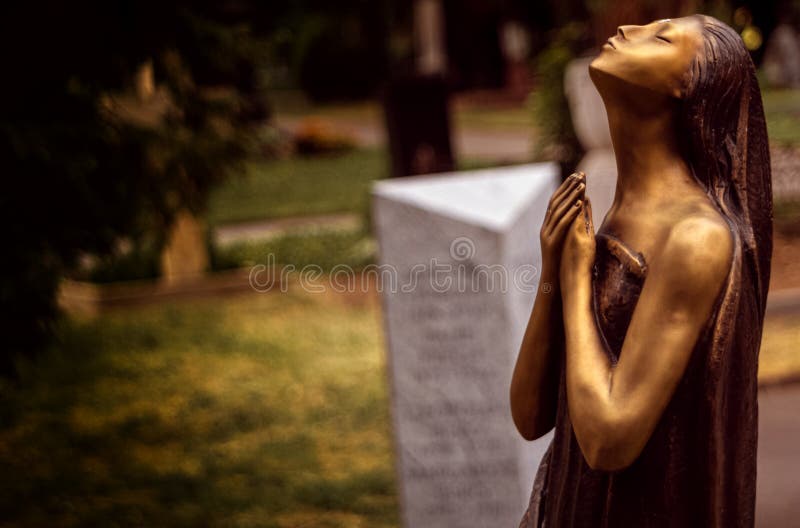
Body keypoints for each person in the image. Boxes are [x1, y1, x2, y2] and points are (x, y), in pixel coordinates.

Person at [510, 15, 772, 527]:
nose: (629, 26)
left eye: (661, 36)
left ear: (686, 86)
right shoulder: (618, 213)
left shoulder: (695, 238)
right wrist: (553, 274)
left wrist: (574, 282)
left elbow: (609, 438)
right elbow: (530, 416)